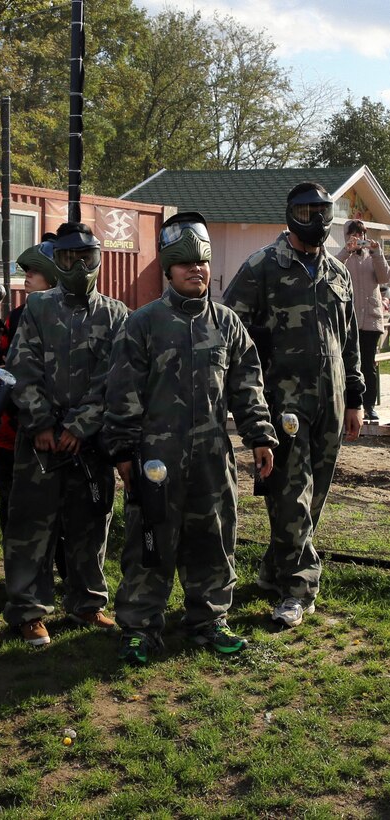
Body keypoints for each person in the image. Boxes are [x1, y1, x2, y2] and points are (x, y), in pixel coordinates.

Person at [104, 212, 278, 664]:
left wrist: (260, 435)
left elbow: (248, 386)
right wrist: (122, 450)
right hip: (155, 461)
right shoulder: (143, 323)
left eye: (201, 262)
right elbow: (123, 391)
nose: (195, 270)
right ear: (168, 269)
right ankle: (140, 628)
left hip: (211, 459)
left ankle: (209, 621)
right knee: (149, 544)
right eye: (185, 264)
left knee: (214, 540)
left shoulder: (227, 324)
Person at [223, 182, 364, 629]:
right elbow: (230, 331)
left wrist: (355, 398)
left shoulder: (337, 272)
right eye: (307, 211)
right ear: (290, 215)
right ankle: (298, 590)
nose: (317, 220)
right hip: (281, 403)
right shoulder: (261, 267)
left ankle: (274, 568)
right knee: (290, 494)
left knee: (314, 495)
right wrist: (248, 396)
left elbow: (350, 341)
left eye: (323, 210)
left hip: (331, 399)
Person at [1, 222, 127, 648]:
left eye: (86, 258)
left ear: (97, 260)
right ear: (58, 262)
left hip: (88, 446)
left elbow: (116, 376)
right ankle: (28, 611)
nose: (78, 267)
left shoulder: (115, 314)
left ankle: (87, 602)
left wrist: (80, 426)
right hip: (39, 443)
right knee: (31, 525)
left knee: (91, 524)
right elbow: (22, 366)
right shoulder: (38, 308)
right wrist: (39, 422)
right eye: (69, 259)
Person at [0, 233, 61, 540]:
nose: (27, 276)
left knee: (55, 512)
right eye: (26, 271)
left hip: (49, 434)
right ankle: (15, 564)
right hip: (8, 436)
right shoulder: (15, 316)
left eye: (35, 271)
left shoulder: (69, 320)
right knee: (14, 507)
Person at [337, 219, 388, 422]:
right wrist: (346, 251)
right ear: (347, 236)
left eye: (362, 234)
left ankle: (369, 406)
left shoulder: (372, 256)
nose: (359, 238)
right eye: (355, 234)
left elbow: (384, 278)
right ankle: (348, 405)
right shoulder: (344, 257)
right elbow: (332, 270)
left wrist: (377, 253)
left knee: (368, 365)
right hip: (348, 322)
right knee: (347, 365)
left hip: (371, 322)